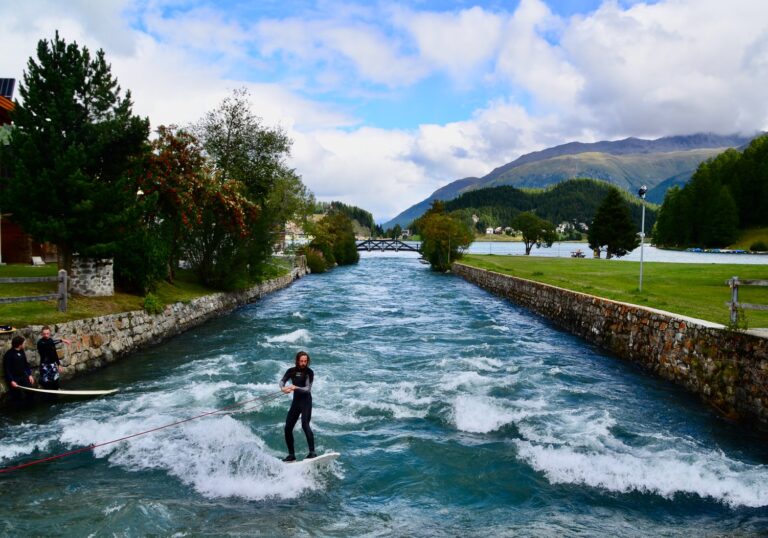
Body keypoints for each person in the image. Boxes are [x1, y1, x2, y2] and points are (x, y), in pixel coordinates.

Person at [279, 350, 315, 462]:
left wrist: (296, 387)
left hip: (306, 402)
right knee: (288, 427)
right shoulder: (291, 371)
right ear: (297, 361)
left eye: (305, 361)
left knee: (305, 424)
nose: (304, 363)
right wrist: (283, 388)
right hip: (296, 402)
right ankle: (291, 455)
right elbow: (282, 381)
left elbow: (307, 388)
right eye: (302, 361)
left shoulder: (309, 372)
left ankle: (312, 453)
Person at [3, 335, 35, 407]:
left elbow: (26, 364)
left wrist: (29, 375)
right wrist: (11, 381)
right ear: (20, 344)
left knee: (30, 391)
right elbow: (7, 369)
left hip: (22, 376)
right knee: (17, 397)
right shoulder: (9, 354)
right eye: (23, 343)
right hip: (14, 378)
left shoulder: (22, 351)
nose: (25, 344)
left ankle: (30, 407)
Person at [37, 325, 71, 392]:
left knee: (56, 379)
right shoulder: (40, 343)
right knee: (46, 382)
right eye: (44, 334)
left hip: (52, 364)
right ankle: (45, 390)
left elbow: (54, 354)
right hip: (45, 365)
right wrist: (62, 340)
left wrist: (58, 364)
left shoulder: (50, 340)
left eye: (47, 333)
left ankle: (57, 390)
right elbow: (49, 344)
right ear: (41, 334)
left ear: (49, 333)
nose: (46, 335)